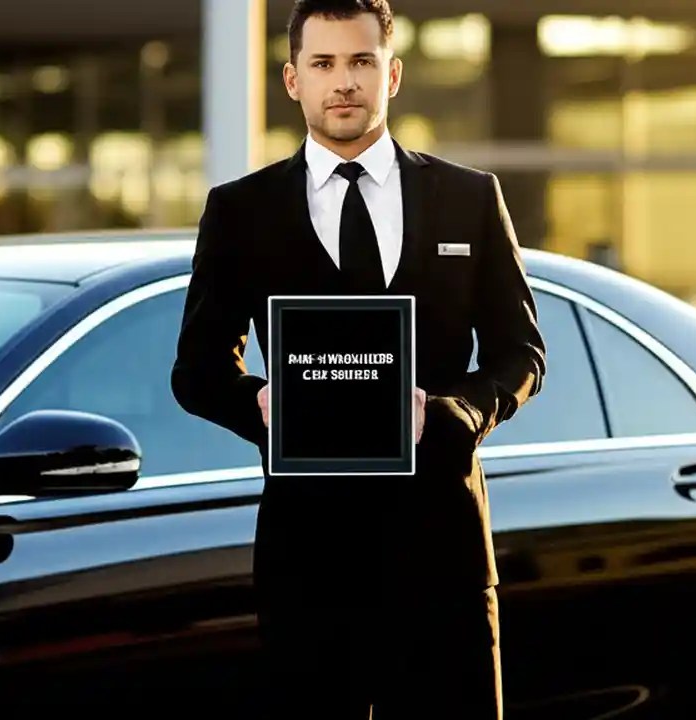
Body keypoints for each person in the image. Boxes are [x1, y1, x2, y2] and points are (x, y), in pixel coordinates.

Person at [169, 1, 547, 717]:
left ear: (392, 74)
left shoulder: (469, 198)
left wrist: (452, 413)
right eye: (323, 63)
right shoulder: (241, 211)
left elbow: (521, 352)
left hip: (442, 551)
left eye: (360, 61)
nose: (343, 81)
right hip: (307, 559)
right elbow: (197, 371)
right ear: (293, 80)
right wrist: (260, 404)